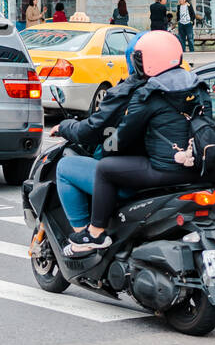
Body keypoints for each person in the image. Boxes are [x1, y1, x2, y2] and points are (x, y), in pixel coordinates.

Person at [69, 32, 208, 253]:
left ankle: (95, 233)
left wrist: (106, 148)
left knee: (105, 169)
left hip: (165, 170)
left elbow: (122, 138)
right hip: (199, 170)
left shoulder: (149, 94)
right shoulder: (197, 86)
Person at [47, 33, 147, 233]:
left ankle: (86, 236)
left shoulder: (131, 93)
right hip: (172, 176)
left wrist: (65, 127)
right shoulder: (185, 88)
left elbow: (94, 129)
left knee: (64, 167)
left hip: (135, 178)